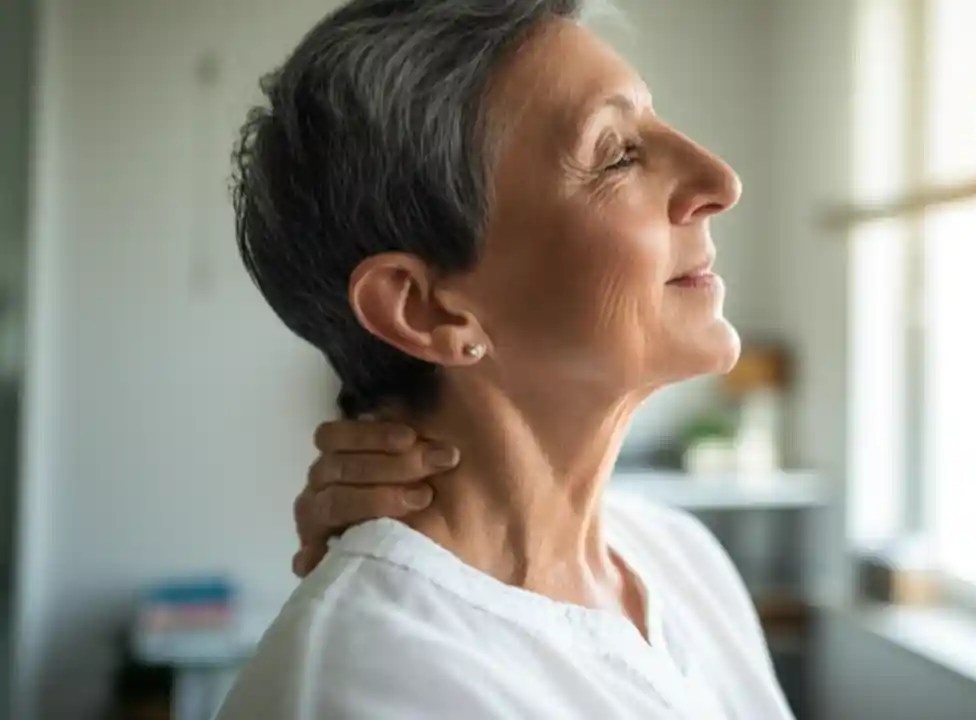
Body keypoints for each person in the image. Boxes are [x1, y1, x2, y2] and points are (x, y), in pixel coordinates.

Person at [216, 0, 792, 718]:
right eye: (616, 153)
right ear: (427, 310)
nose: (720, 181)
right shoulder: (370, 686)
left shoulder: (684, 561)